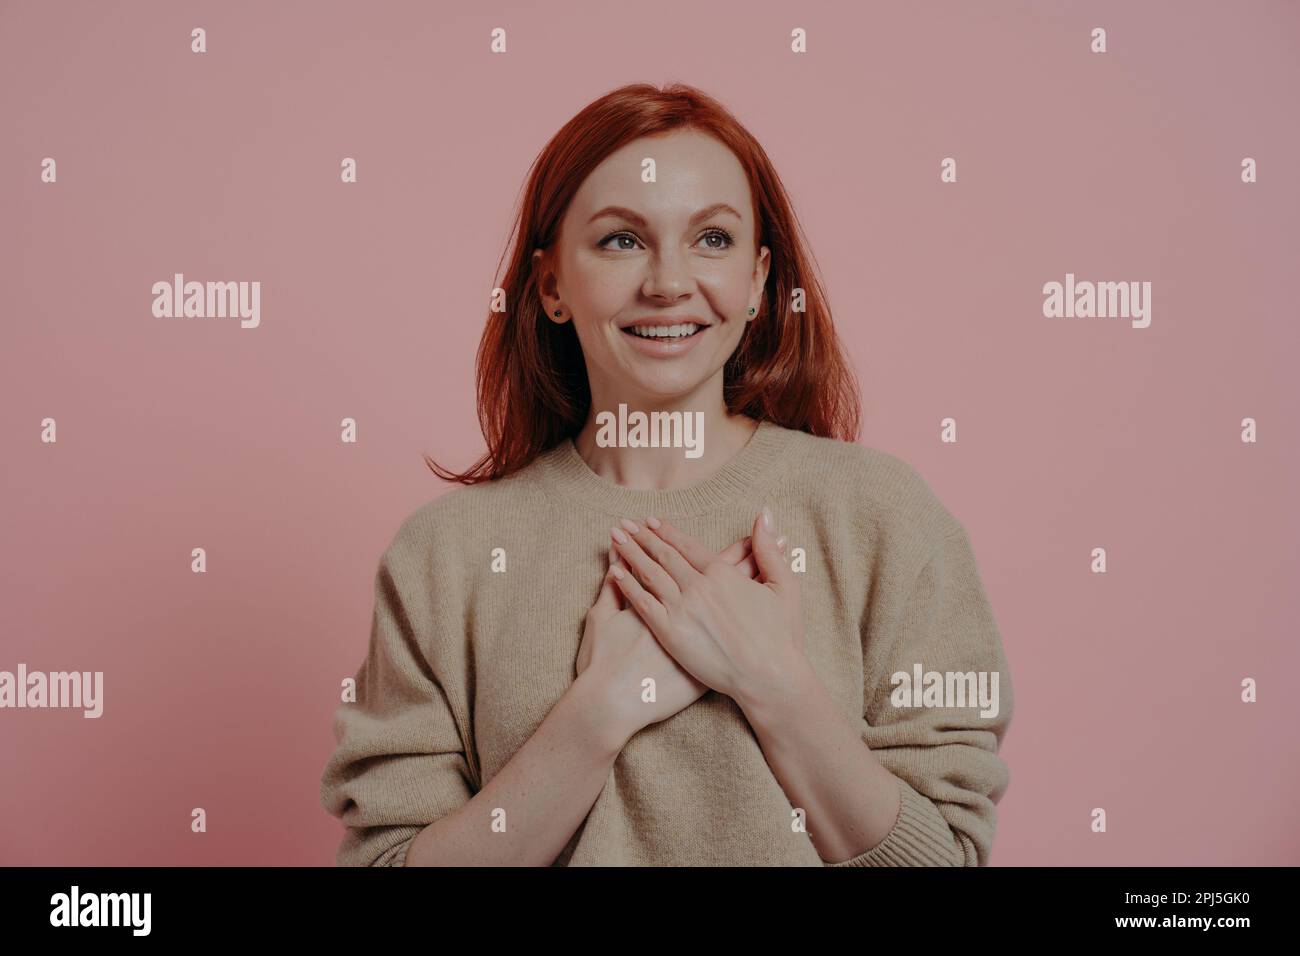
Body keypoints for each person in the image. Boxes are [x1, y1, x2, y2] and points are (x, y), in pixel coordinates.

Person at [319, 82, 1013, 867]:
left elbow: (945, 859)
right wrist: (598, 713)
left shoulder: (884, 517)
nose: (668, 282)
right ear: (551, 286)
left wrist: (774, 683)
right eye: (621, 240)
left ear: (757, 282)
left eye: (712, 240)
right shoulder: (442, 558)